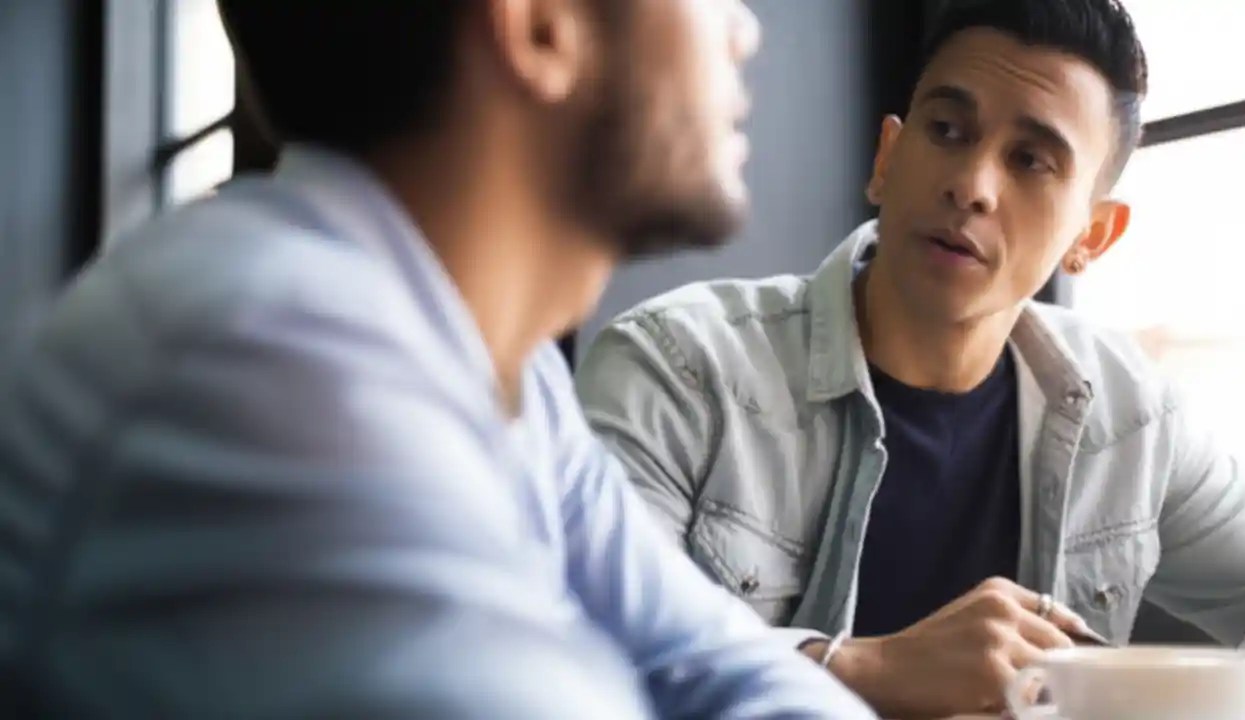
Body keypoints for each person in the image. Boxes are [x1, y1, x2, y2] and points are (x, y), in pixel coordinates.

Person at [0, 1, 874, 717]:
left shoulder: (508, 374)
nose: (744, 30)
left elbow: (710, 665)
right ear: (540, 27)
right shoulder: (272, 363)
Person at [576, 0, 1245, 717]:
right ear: (887, 158)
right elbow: (578, 652)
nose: (972, 185)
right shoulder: (677, 364)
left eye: (1030, 160)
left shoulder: (1133, 418)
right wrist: (860, 669)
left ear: (1092, 236)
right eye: (947, 131)